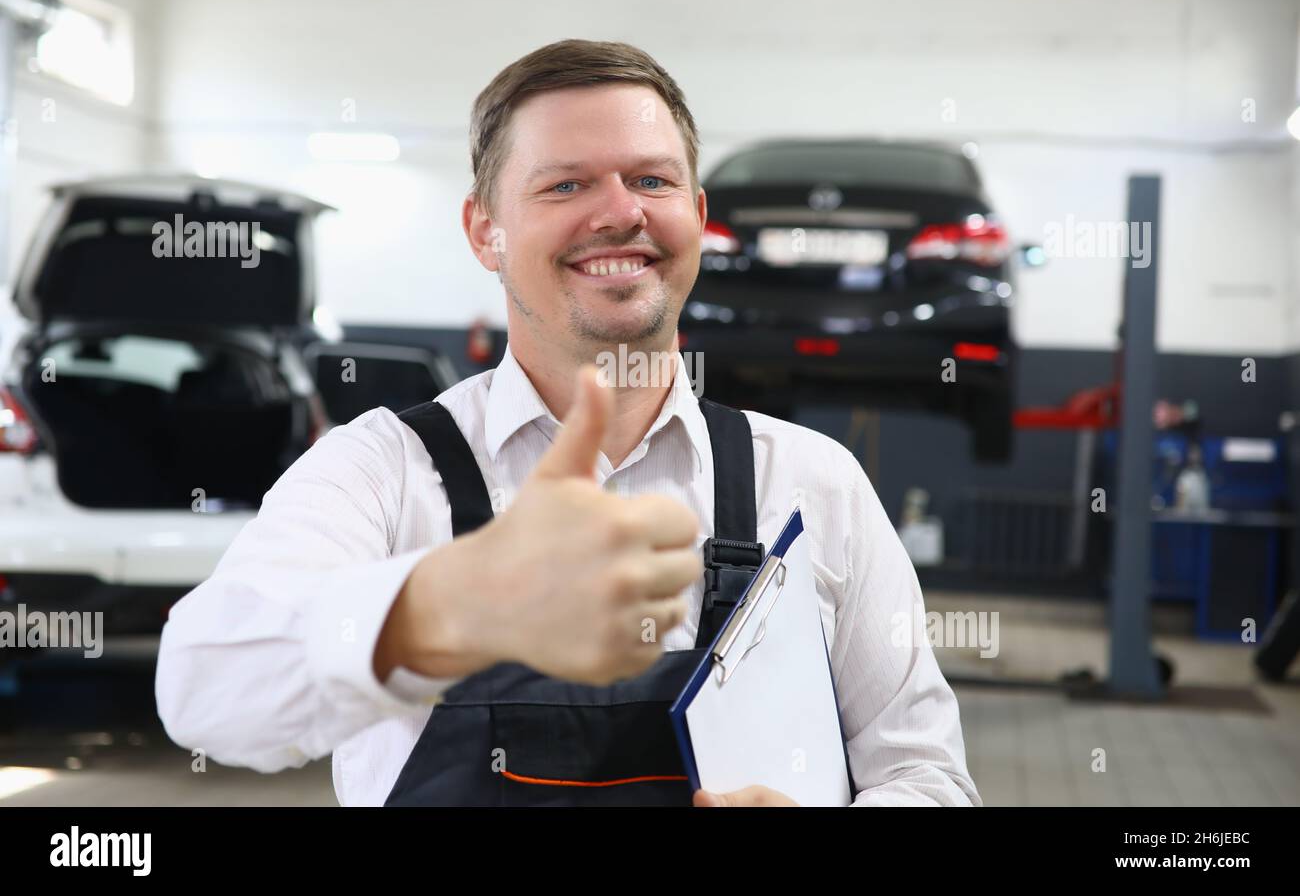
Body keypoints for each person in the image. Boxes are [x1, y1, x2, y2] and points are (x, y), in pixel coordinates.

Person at [155, 39, 981, 807]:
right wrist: (449, 606)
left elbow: (925, 772)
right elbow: (205, 690)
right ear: (485, 229)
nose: (620, 212)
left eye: (651, 181)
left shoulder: (811, 482)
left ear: (695, 214)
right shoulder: (380, 472)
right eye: (565, 185)